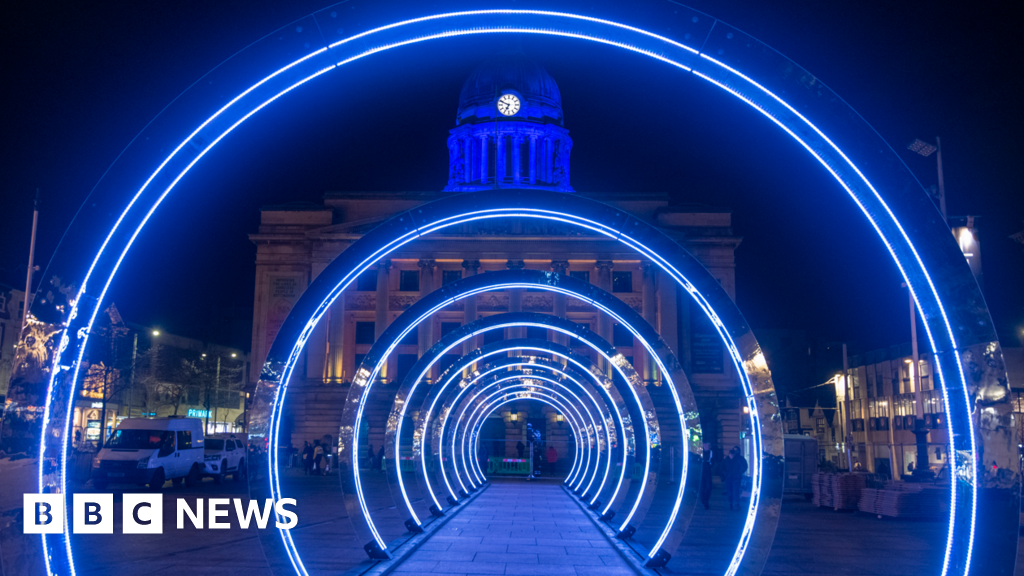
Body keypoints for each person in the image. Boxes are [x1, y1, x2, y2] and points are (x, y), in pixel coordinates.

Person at [724, 446, 747, 511]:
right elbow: (723, 467)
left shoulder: (740, 459)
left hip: (736, 478)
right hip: (729, 478)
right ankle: (731, 503)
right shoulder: (728, 459)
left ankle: (736, 503)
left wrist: (739, 473)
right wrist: (725, 474)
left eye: (736, 450)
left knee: (735, 491)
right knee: (730, 491)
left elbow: (744, 466)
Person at [699, 442, 714, 510]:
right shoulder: (700, 452)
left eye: (707, 445)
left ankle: (706, 500)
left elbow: (714, 461)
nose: (706, 446)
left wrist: (710, 466)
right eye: (705, 445)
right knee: (702, 487)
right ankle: (703, 501)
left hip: (708, 472)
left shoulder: (711, 453)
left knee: (708, 487)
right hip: (701, 472)